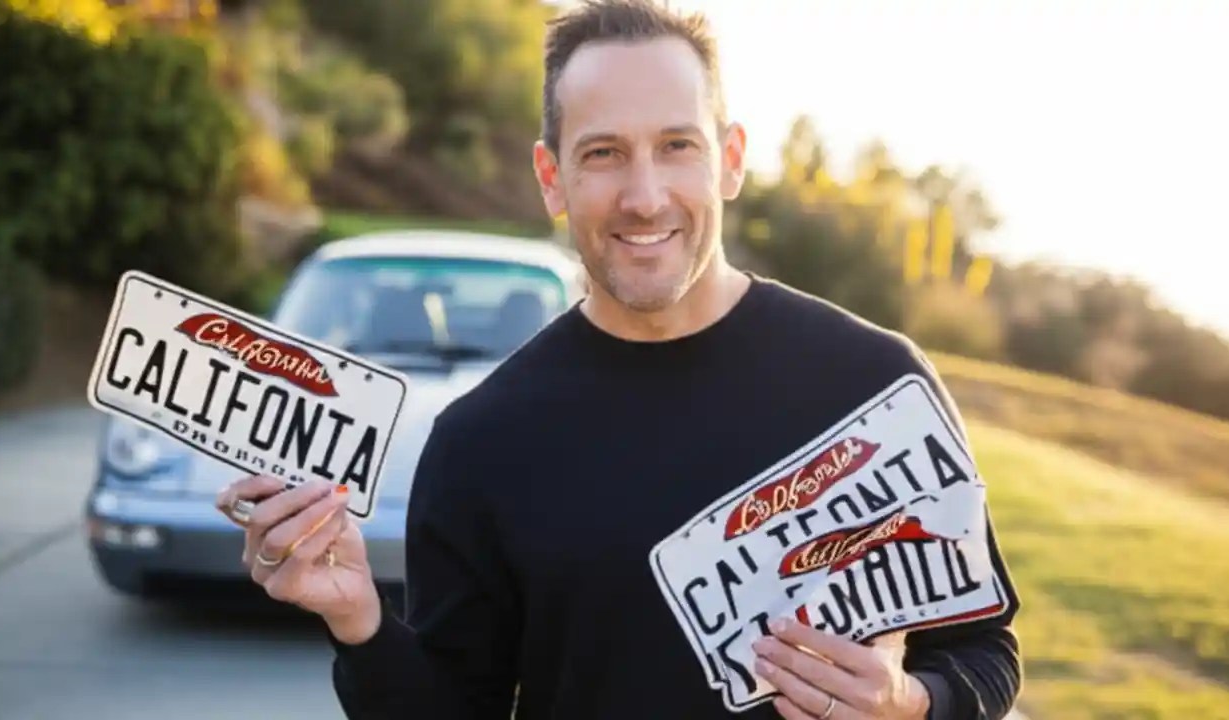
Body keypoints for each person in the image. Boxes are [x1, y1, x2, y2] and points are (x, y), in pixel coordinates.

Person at [215, 1, 1023, 718]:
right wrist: (358, 622)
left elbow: (984, 650)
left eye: (677, 146)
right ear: (551, 178)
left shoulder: (875, 385)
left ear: (730, 159)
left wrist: (913, 704)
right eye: (603, 153)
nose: (644, 197)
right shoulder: (481, 442)